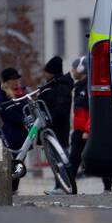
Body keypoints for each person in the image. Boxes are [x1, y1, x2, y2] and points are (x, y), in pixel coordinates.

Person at [67, 56, 112, 194]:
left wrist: (88, 130)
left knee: (99, 157)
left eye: (74, 68)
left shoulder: (87, 87)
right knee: (73, 159)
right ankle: (69, 186)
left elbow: (93, 111)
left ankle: (107, 188)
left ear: (81, 69)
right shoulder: (79, 87)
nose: (72, 71)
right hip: (78, 130)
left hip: (86, 131)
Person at [39, 55, 75, 195]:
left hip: (57, 129)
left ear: (52, 72)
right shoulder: (56, 85)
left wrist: (49, 119)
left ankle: (63, 186)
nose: (45, 74)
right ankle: (60, 185)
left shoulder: (60, 87)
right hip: (55, 127)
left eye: (47, 72)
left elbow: (59, 109)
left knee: (60, 159)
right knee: (56, 159)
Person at [0, 67, 27, 193]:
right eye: (13, 79)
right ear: (6, 81)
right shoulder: (2, 93)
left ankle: (14, 189)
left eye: (17, 78)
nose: (16, 81)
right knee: (13, 161)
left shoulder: (21, 92)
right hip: (12, 133)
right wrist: (22, 119)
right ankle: (9, 189)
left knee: (20, 161)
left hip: (24, 133)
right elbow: (6, 112)